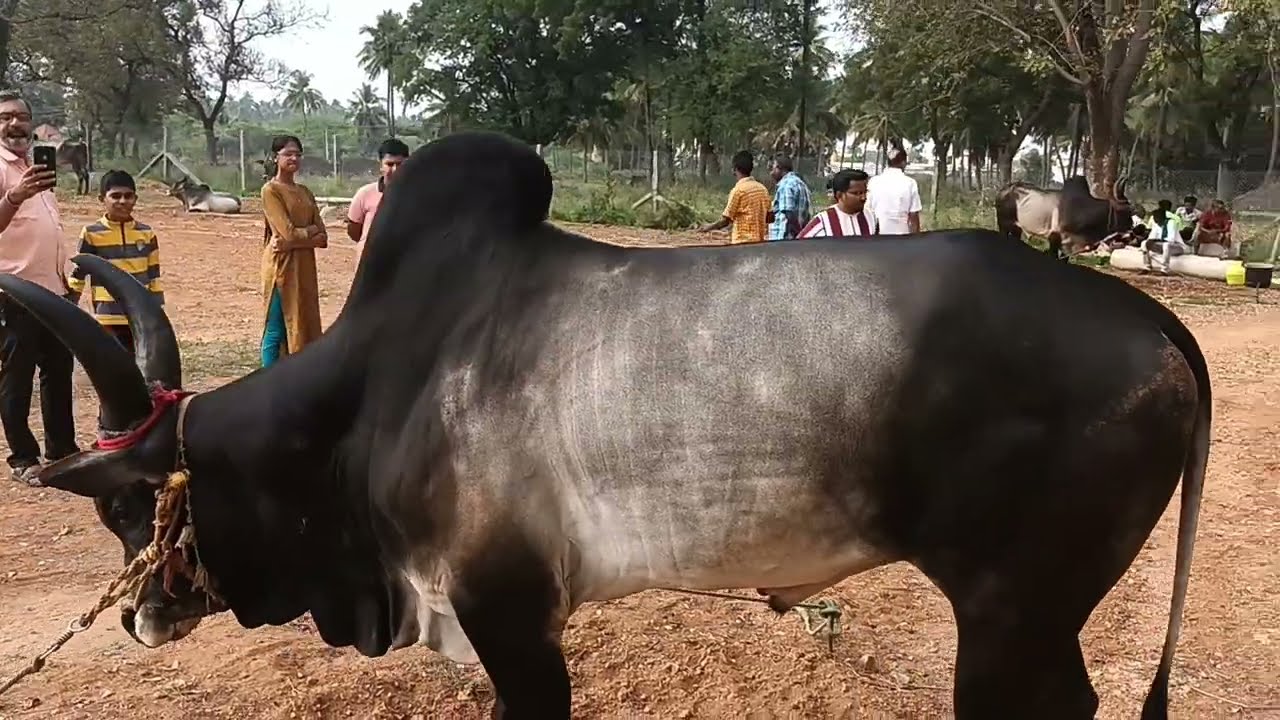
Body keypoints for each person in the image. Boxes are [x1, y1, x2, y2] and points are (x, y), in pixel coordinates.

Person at [0, 89, 79, 485]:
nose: (15, 124)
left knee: (58, 369)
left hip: (53, 289)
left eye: (22, 117)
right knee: (17, 374)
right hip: (14, 290)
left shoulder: (35, 165)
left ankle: (62, 450)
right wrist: (15, 195)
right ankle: (23, 458)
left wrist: (66, 280)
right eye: (5, 117)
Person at [67, 170, 162, 352]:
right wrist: (69, 304)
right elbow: (79, 273)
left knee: (140, 366)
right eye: (115, 196)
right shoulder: (91, 233)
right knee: (114, 366)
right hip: (108, 315)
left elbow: (154, 277)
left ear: (136, 198)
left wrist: (157, 311)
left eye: (128, 196)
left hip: (140, 315)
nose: (123, 201)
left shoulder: (147, 234)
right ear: (102, 199)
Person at [261, 134, 327, 368]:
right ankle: (268, 380)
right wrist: (308, 234)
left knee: (305, 320)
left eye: (298, 154)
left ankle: (300, 373)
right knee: (277, 326)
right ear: (275, 157)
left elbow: (323, 236)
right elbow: (286, 233)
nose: (294, 158)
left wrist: (299, 237)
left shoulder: (305, 191)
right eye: (288, 154)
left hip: (304, 265)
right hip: (282, 266)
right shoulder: (271, 191)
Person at [347, 137, 410, 266]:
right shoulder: (365, 194)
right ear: (380, 165)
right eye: (390, 164)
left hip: (404, 266)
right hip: (370, 267)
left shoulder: (417, 195)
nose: (395, 170)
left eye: (400, 164)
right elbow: (354, 230)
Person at [698, 150, 770, 243]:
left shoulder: (738, 190)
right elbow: (770, 217)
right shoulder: (763, 189)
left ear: (734, 169)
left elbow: (725, 220)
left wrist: (708, 227)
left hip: (741, 242)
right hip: (759, 242)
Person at [798, 169, 878, 238]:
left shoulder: (871, 217)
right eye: (856, 193)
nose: (863, 197)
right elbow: (799, 247)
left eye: (865, 192)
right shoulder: (823, 221)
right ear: (839, 195)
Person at [867, 147, 922, 234]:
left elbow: (867, 210)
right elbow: (913, 215)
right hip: (901, 235)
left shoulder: (873, 181)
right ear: (904, 163)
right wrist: (917, 239)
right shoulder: (910, 183)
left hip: (877, 234)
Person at [766, 155, 810, 240]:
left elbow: (788, 214)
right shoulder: (800, 184)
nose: (771, 173)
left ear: (781, 169)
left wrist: (795, 235)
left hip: (783, 239)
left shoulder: (786, 185)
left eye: (773, 168)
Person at [1141, 207, 1187, 274]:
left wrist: (1154, 241)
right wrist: (1149, 243)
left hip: (1177, 247)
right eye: (1154, 217)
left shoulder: (1171, 223)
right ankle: (1147, 267)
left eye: (1157, 217)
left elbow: (1171, 240)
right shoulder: (1156, 225)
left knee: (1166, 245)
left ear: (1162, 217)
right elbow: (1151, 238)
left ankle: (1164, 270)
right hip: (1162, 246)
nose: (1155, 219)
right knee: (1144, 243)